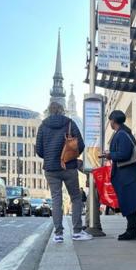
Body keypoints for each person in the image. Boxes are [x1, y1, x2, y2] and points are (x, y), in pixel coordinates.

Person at [36, 101, 93, 243]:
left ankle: (58, 234)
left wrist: (50, 156)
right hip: (69, 167)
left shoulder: (43, 126)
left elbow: (39, 150)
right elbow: (81, 145)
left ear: (49, 111)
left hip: (51, 169)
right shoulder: (69, 123)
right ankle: (77, 232)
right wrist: (71, 155)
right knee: (76, 198)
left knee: (56, 199)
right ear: (62, 110)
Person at [103, 110, 136, 241]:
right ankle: (131, 230)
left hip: (127, 175)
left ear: (113, 121)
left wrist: (110, 155)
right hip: (129, 174)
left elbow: (124, 154)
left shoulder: (121, 134)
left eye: (110, 120)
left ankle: (131, 231)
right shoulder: (123, 132)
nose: (110, 123)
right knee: (131, 202)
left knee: (129, 202)